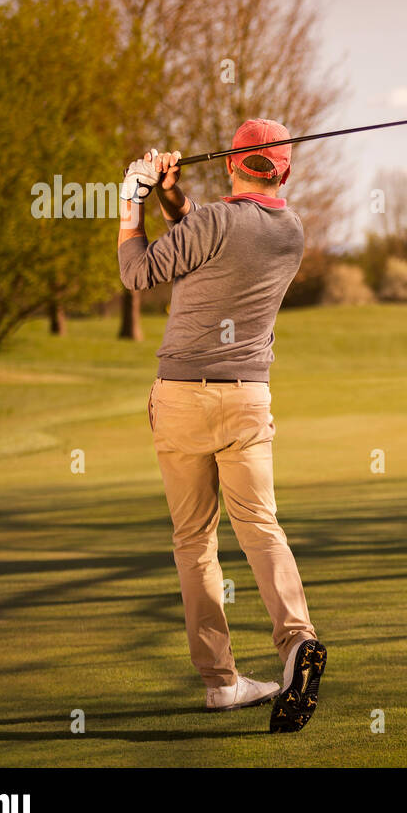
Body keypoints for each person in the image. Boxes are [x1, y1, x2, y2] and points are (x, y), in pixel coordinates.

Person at [117, 119, 326, 734]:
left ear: (231, 163)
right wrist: (172, 196)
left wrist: (133, 199)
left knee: (194, 541)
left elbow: (138, 272)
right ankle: (295, 644)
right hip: (246, 399)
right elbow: (209, 231)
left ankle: (222, 682)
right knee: (260, 525)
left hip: (181, 396)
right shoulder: (291, 234)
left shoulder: (210, 222)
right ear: (284, 172)